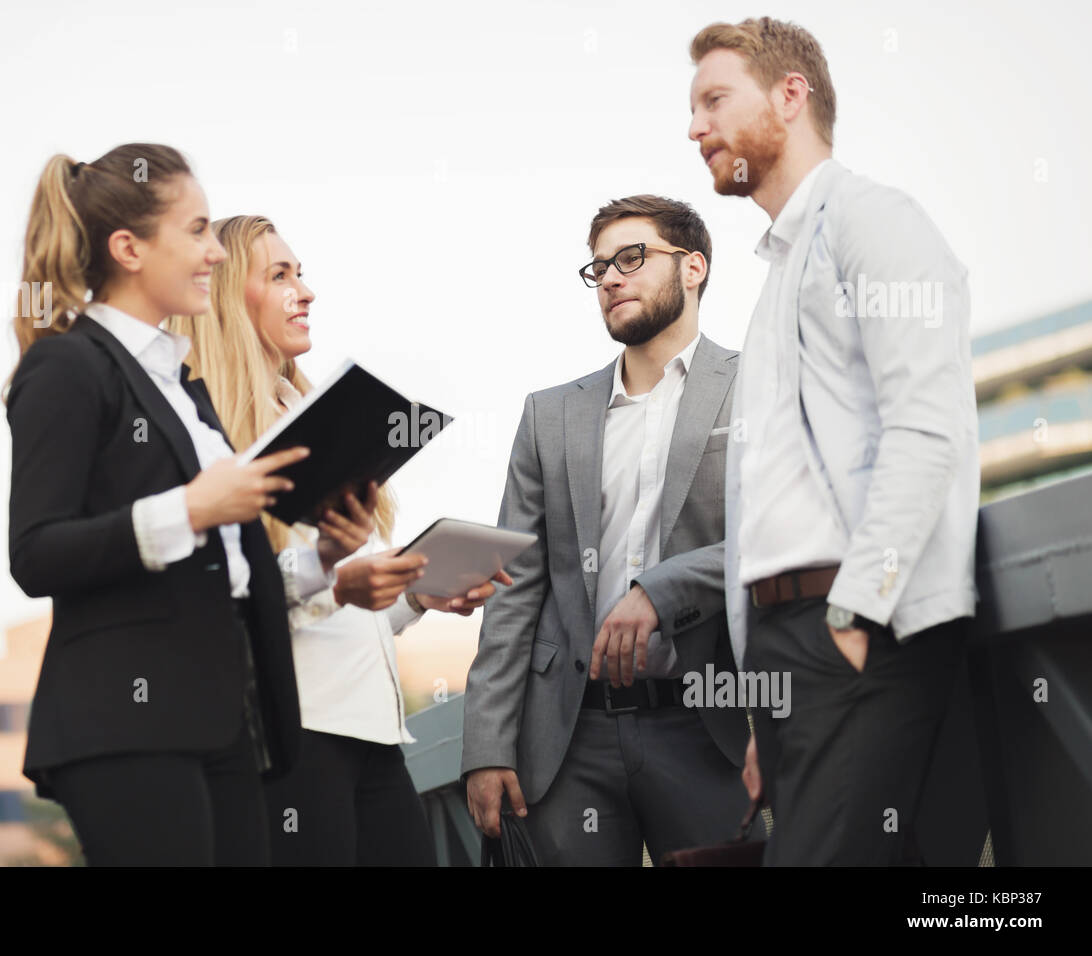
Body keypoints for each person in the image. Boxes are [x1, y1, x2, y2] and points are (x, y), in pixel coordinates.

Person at [688, 17, 980, 865]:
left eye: (714, 99)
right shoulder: (774, 283)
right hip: (791, 651)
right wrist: (763, 708)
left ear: (791, 95)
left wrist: (856, 612)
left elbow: (928, 428)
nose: (694, 127)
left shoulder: (875, 220)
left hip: (855, 626)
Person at [166, 215, 509, 865]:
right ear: (230, 294)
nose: (306, 291)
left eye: (301, 273)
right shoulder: (204, 436)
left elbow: (338, 606)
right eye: (280, 275)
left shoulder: (314, 419)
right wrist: (331, 569)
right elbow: (227, 589)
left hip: (376, 737)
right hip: (293, 739)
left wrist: (414, 596)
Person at [5, 145, 309, 866]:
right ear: (128, 248)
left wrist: (325, 560)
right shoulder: (66, 367)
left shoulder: (184, 388)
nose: (214, 252)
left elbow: (229, 569)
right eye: (199, 231)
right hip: (124, 727)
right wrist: (192, 509)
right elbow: (35, 551)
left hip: (224, 720)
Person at [462, 196, 753, 865]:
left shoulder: (756, 386)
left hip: (707, 725)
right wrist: (486, 745)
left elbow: (779, 537)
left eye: (632, 258)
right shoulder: (549, 416)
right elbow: (515, 589)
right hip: (568, 740)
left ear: (694, 268)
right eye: (599, 269)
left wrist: (662, 589)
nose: (613, 279)